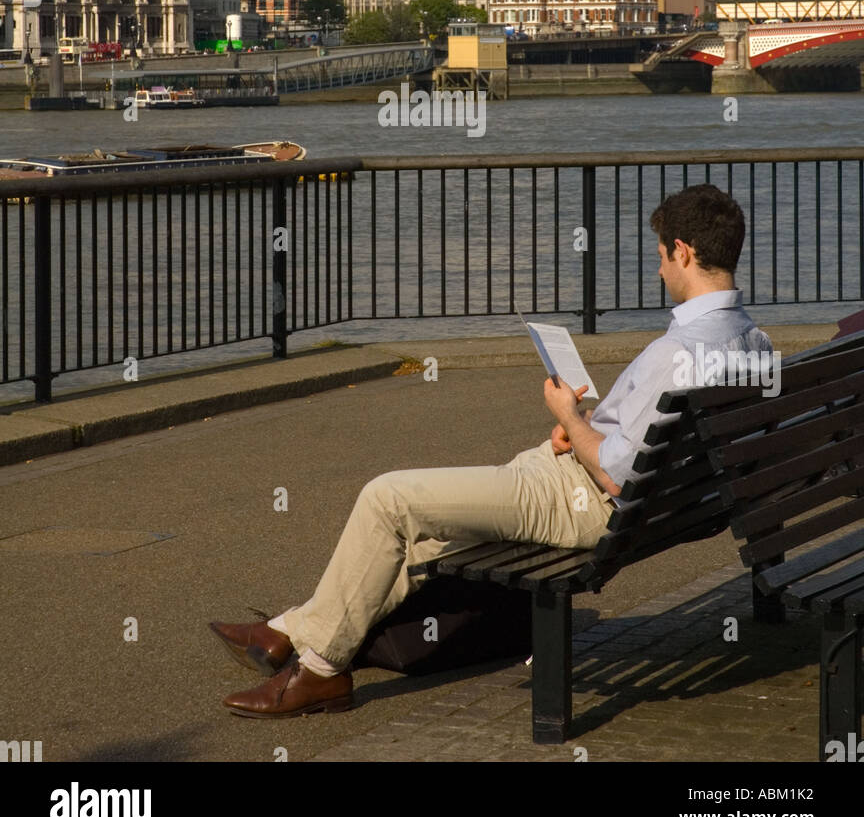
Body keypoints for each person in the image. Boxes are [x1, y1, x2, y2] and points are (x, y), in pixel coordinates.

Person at [211, 183, 772, 718]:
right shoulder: (757, 344)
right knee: (424, 531)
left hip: (579, 503)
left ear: (683, 250)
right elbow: (650, 451)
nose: (657, 269)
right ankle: (288, 632)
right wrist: (579, 434)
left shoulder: (674, 353)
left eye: (660, 256)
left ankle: (322, 669)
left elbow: (617, 477)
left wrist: (568, 418)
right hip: (656, 505)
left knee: (388, 499)